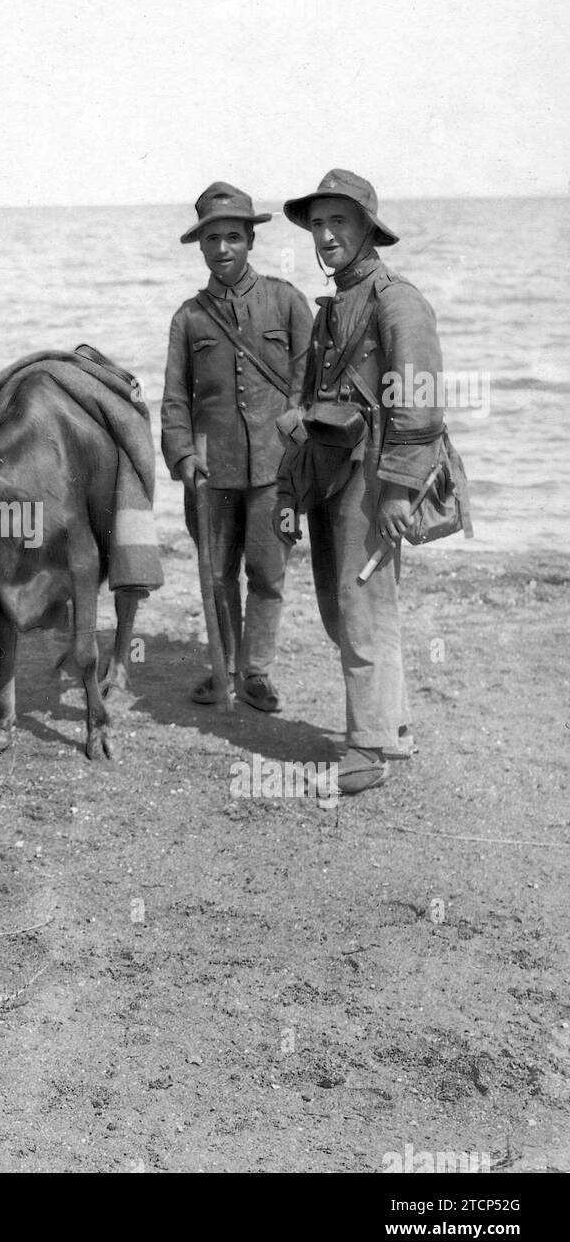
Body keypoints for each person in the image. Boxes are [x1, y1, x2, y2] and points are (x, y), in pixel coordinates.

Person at [279, 169, 443, 797]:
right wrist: (291, 488)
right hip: (330, 472)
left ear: (367, 228)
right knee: (349, 606)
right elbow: (308, 403)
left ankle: (366, 749)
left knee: (359, 605)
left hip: (373, 475)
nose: (324, 236)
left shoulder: (396, 300)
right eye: (317, 223)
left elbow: (420, 401)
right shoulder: (335, 306)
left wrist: (399, 488)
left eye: (338, 222)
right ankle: (394, 728)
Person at [161, 182, 311, 711]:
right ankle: (222, 667)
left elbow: (307, 384)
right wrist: (182, 460)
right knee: (218, 575)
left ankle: (258, 672)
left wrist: (294, 441)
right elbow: (175, 399)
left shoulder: (287, 301)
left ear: (250, 239)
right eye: (211, 240)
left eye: (232, 237)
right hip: (211, 473)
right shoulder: (188, 318)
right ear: (200, 247)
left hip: (276, 471)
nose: (222, 249)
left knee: (268, 574)